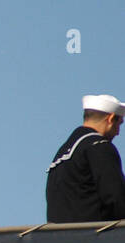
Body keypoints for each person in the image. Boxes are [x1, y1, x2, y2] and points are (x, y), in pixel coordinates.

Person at [46, 95, 125, 223]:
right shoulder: (99, 146)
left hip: (59, 239)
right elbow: (116, 199)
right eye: (119, 124)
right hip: (95, 238)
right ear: (110, 119)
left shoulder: (63, 153)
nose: (118, 133)